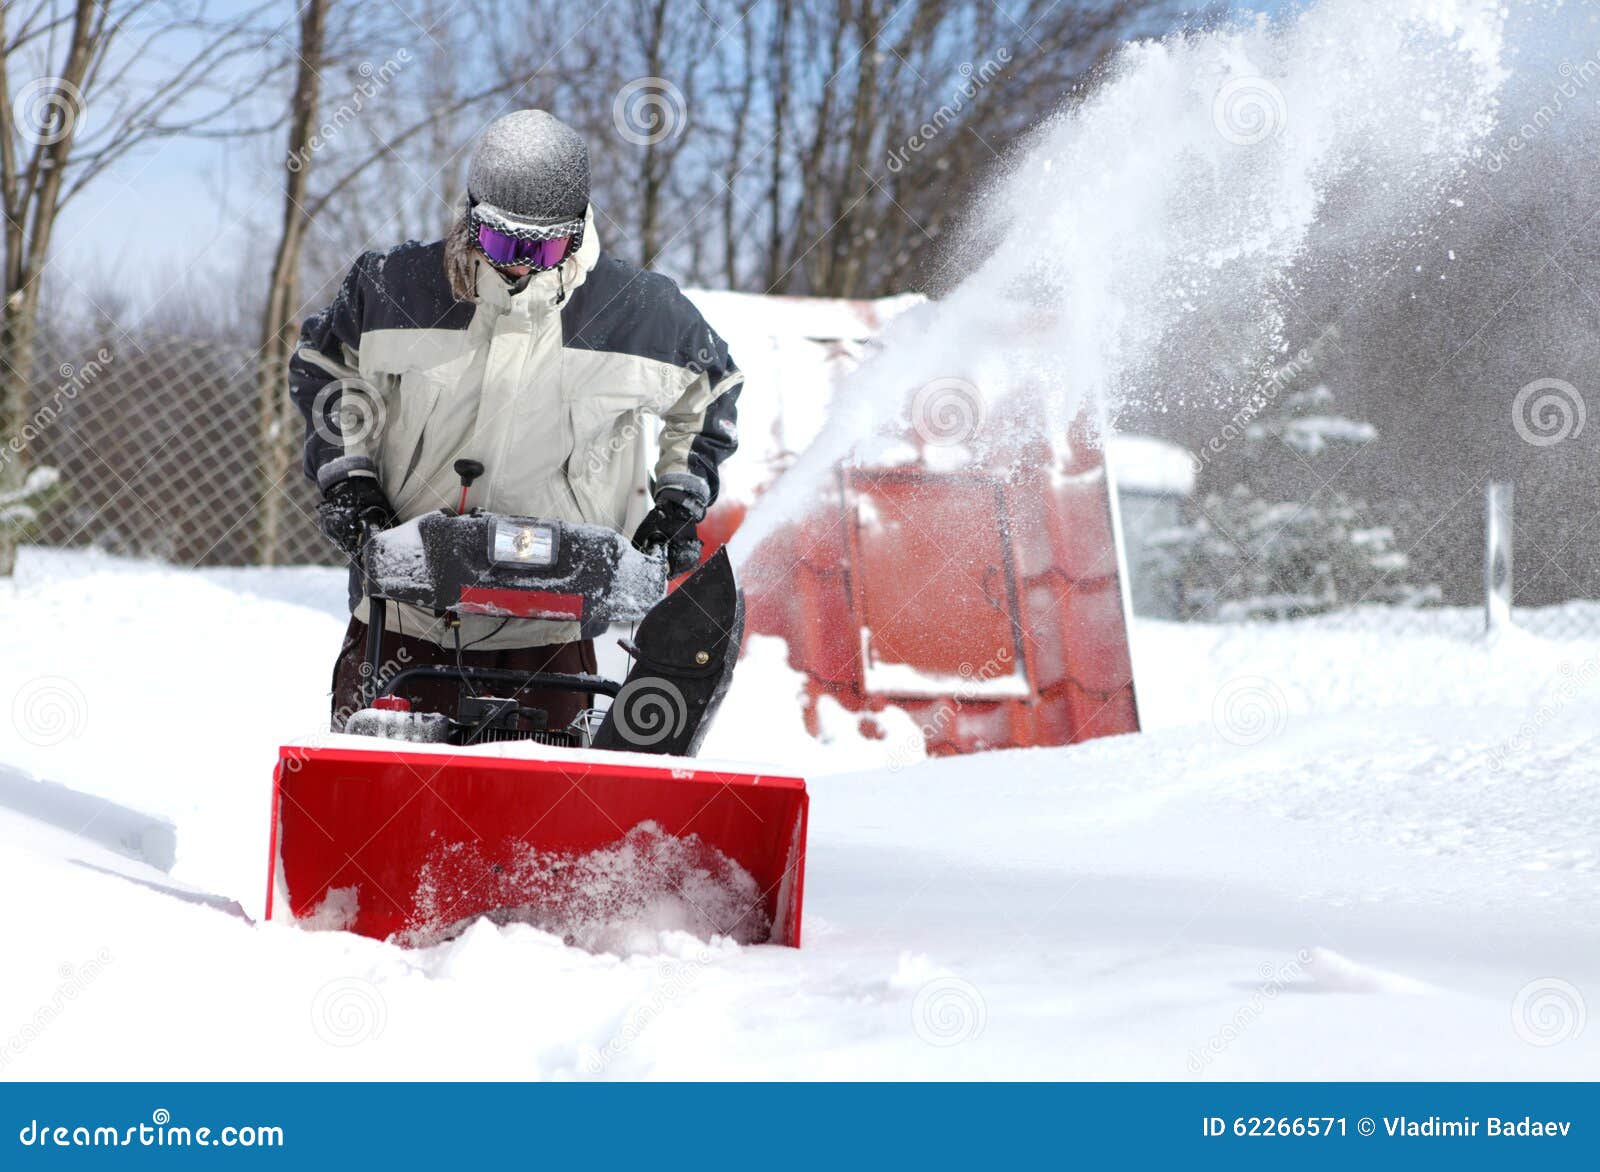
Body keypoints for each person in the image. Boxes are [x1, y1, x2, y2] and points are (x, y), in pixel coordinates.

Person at [289, 109, 740, 734]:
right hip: (402, 617)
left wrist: (680, 497)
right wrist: (350, 480)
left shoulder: (641, 312)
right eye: (503, 243)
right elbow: (325, 365)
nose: (520, 265)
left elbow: (712, 391)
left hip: (549, 630)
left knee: (545, 820)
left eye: (544, 247)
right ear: (472, 218)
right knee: (373, 809)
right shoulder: (394, 287)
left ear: (578, 232)